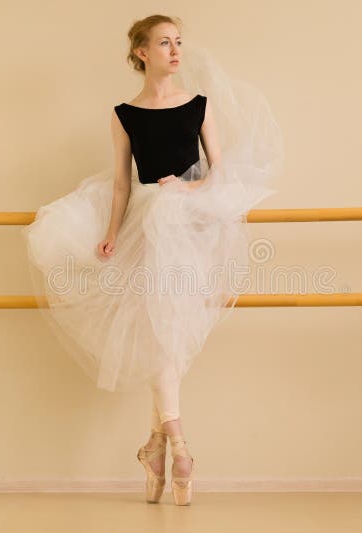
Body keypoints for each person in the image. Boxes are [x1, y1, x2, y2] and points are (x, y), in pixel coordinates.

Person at [21, 14, 284, 505]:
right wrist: (110, 234)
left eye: (179, 42)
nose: (176, 50)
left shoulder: (199, 106)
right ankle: (174, 446)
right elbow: (122, 182)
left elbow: (219, 174)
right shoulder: (125, 113)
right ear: (142, 52)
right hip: (145, 224)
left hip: (192, 226)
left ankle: (162, 447)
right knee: (160, 330)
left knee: (167, 330)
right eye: (165, 43)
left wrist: (187, 188)